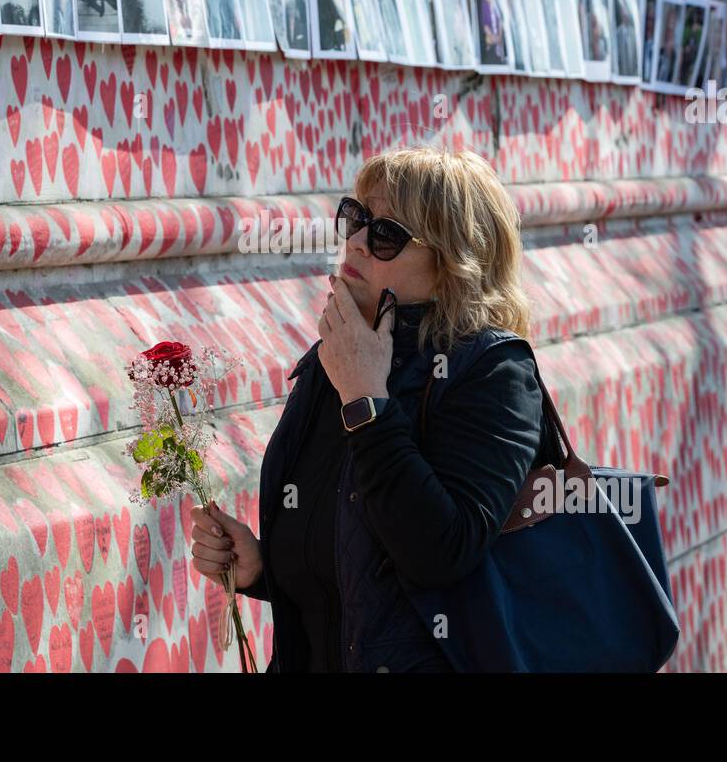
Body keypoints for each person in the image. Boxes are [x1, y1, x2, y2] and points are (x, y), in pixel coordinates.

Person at [189, 147, 548, 672]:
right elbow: (357, 568)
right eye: (356, 217)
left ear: (452, 264)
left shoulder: (492, 373)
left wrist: (365, 398)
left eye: (385, 234)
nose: (356, 241)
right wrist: (264, 568)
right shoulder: (335, 355)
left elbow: (441, 552)